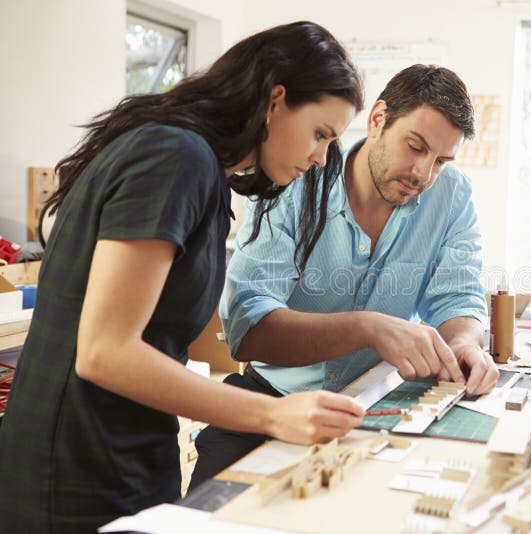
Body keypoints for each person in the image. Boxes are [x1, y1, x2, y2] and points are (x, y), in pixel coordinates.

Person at [0, 21, 367, 533]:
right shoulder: (177, 157)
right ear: (276, 99)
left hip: (122, 452)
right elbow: (105, 351)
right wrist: (269, 415)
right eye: (320, 134)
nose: (322, 158)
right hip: (77, 473)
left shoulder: (195, 164)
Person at [190, 64, 499, 488]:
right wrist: (367, 328)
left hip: (377, 406)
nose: (423, 175)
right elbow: (249, 328)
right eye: (415, 147)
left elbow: (457, 297)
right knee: (209, 509)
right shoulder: (294, 177)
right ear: (377, 119)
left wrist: (463, 342)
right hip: (275, 400)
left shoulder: (452, 194)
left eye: (441, 161)